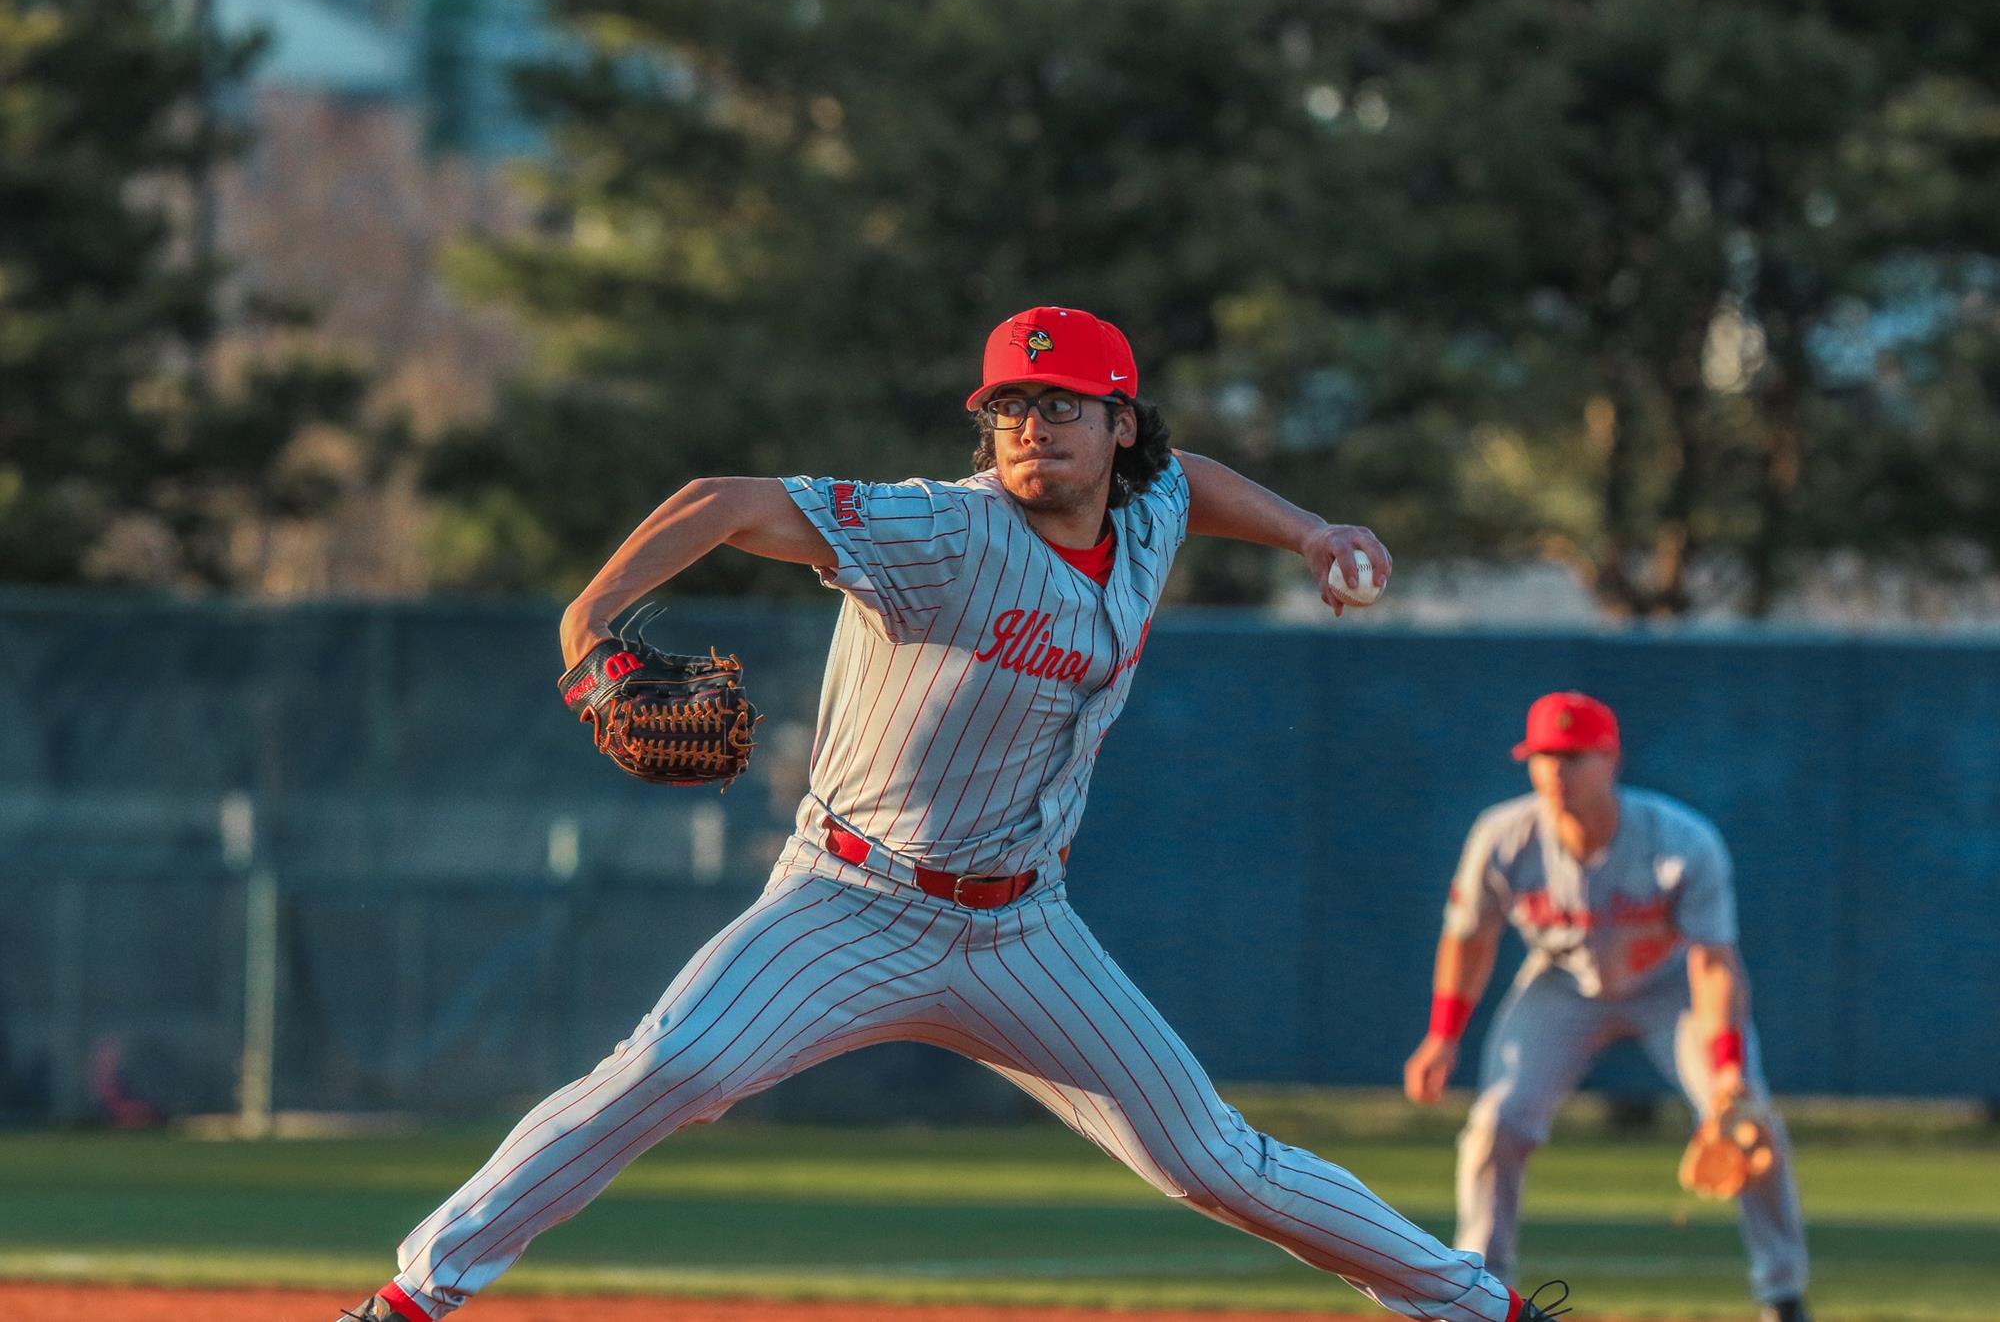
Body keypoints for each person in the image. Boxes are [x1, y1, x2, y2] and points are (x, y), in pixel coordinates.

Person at [342, 306, 1568, 1322]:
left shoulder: (1142, 515)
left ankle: (1481, 1308)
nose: (1031, 427)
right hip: (848, 900)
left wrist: (1311, 530)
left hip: (1022, 931)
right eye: (1010, 409)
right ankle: (414, 1296)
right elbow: (720, 498)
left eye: (1062, 406)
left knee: (1211, 1158)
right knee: (673, 1065)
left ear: (1117, 425)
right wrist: (583, 626)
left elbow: (1188, 485)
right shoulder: (942, 526)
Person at [1403, 691, 1810, 1322]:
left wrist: (1727, 1066)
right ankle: (1479, 1291)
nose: (1556, 771)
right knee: (1497, 1124)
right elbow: (1470, 936)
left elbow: (1713, 963)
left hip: (1669, 985)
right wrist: (1442, 1034)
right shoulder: (1504, 836)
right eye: (1543, 756)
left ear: (1611, 760)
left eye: (1573, 756)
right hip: (1561, 983)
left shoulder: (1681, 842)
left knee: (1749, 1122)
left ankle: (1782, 1295)